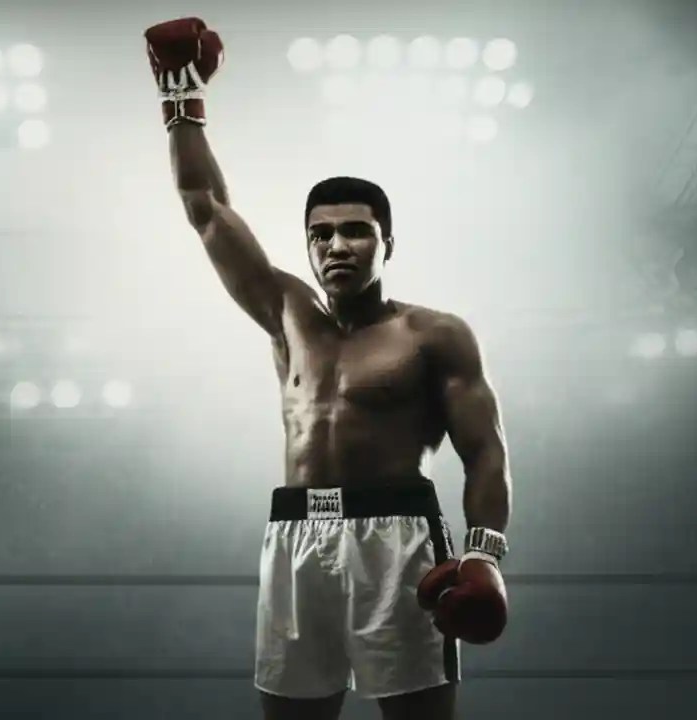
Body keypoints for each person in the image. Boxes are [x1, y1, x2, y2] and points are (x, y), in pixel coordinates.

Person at [144, 18, 513, 720]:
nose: (335, 245)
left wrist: (484, 554)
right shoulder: (287, 313)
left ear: (386, 241)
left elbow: (486, 449)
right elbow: (206, 208)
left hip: (398, 537)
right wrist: (180, 99)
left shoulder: (433, 332)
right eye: (320, 233)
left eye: (354, 231)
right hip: (294, 534)